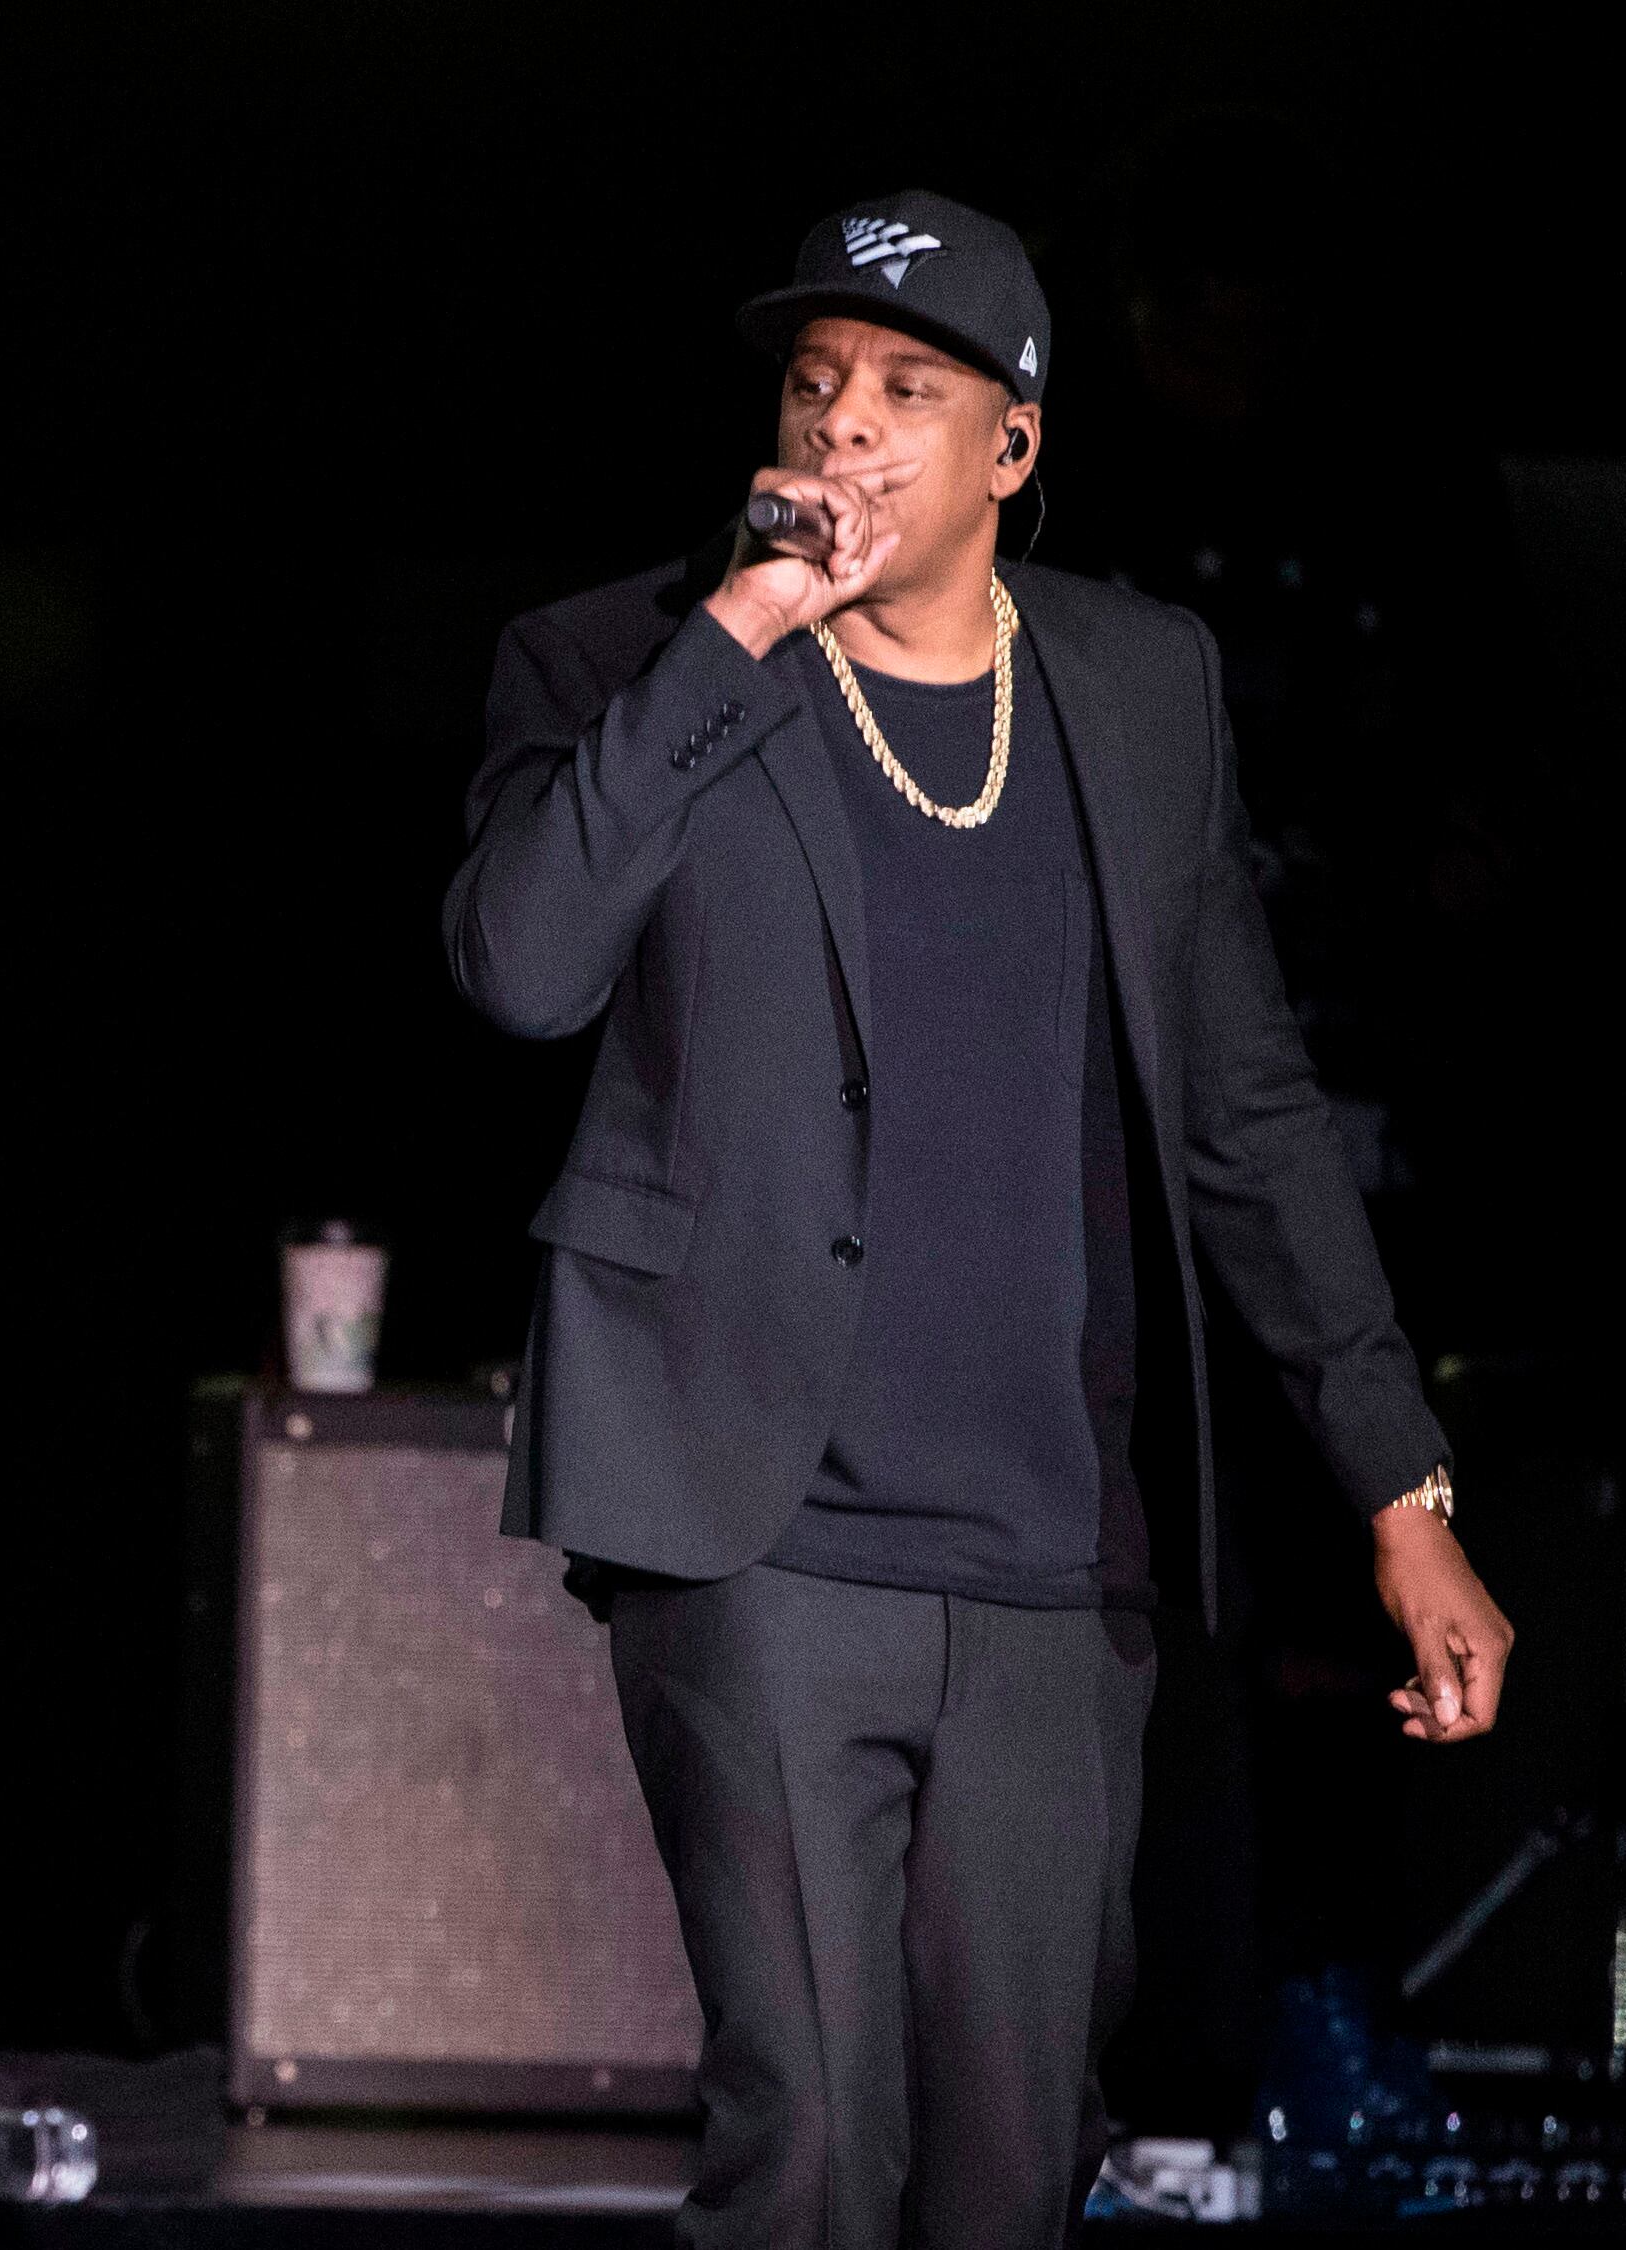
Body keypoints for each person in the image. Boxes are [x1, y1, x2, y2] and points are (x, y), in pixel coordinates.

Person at [442, 192, 1513, 2250]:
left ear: (1011, 445)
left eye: (905, 390)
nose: (843, 422)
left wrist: (1398, 1484)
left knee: (1015, 2172)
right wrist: (737, 631)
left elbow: (1246, 1111)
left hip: (1049, 1554)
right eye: (813, 380)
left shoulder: (1137, 684)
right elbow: (520, 967)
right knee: (809, 2145)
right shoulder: (620, 658)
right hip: (752, 1532)